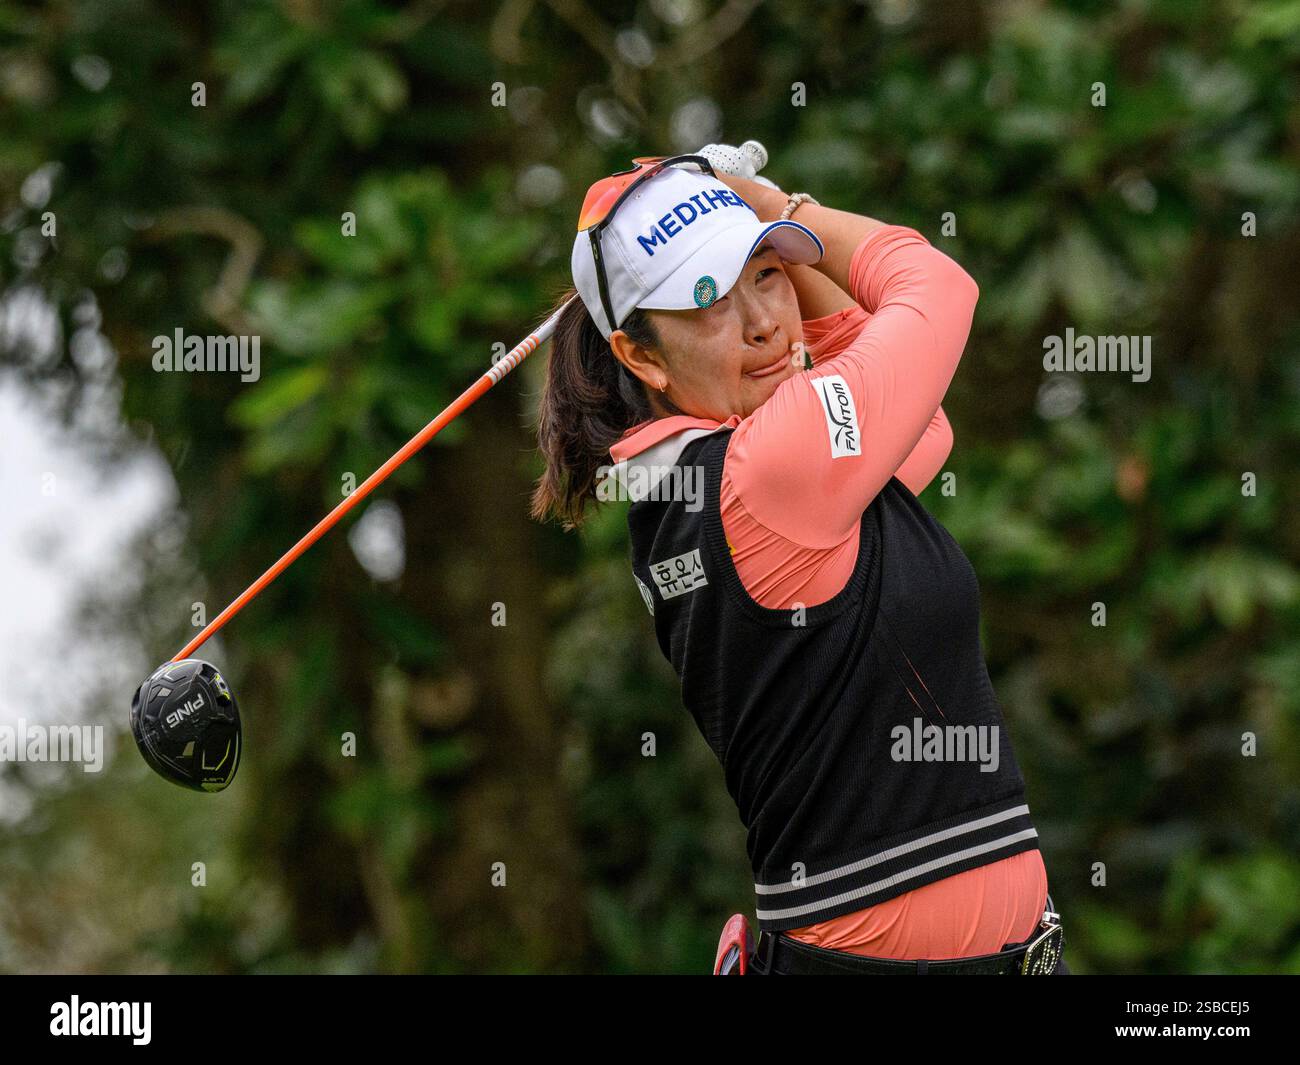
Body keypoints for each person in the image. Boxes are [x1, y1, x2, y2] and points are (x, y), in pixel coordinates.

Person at [531, 147, 1068, 975]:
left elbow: (921, 422)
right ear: (642, 357)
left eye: (767, 275)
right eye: (708, 299)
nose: (764, 324)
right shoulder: (769, 472)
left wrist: (767, 229)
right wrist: (783, 207)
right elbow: (937, 287)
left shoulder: (708, 486)